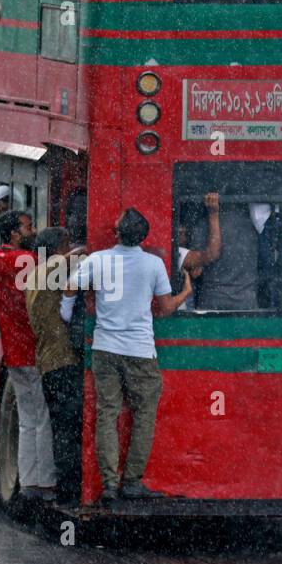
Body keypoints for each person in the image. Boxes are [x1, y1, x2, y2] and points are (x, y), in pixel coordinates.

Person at [71, 208, 191, 501]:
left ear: (116, 233)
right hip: (140, 351)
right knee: (144, 415)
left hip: (104, 349)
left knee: (107, 414)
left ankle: (110, 484)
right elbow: (163, 308)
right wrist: (185, 293)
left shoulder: (97, 260)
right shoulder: (153, 265)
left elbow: (70, 285)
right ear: (143, 236)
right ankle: (133, 481)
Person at [0, 209, 55, 500]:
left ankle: (28, 480)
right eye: (28, 227)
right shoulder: (27, 261)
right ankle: (44, 481)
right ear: (15, 233)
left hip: (12, 350)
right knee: (41, 418)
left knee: (27, 418)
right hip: (31, 349)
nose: (33, 231)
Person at [26, 227, 83, 504]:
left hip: (48, 361)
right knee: (68, 428)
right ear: (57, 247)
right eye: (66, 243)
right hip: (62, 360)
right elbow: (82, 259)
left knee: (62, 427)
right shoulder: (54, 266)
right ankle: (69, 488)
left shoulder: (35, 272)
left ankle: (64, 485)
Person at [193, 201, 257, 310]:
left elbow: (195, 272)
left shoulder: (203, 225)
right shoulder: (254, 225)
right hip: (246, 302)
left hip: (213, 300)